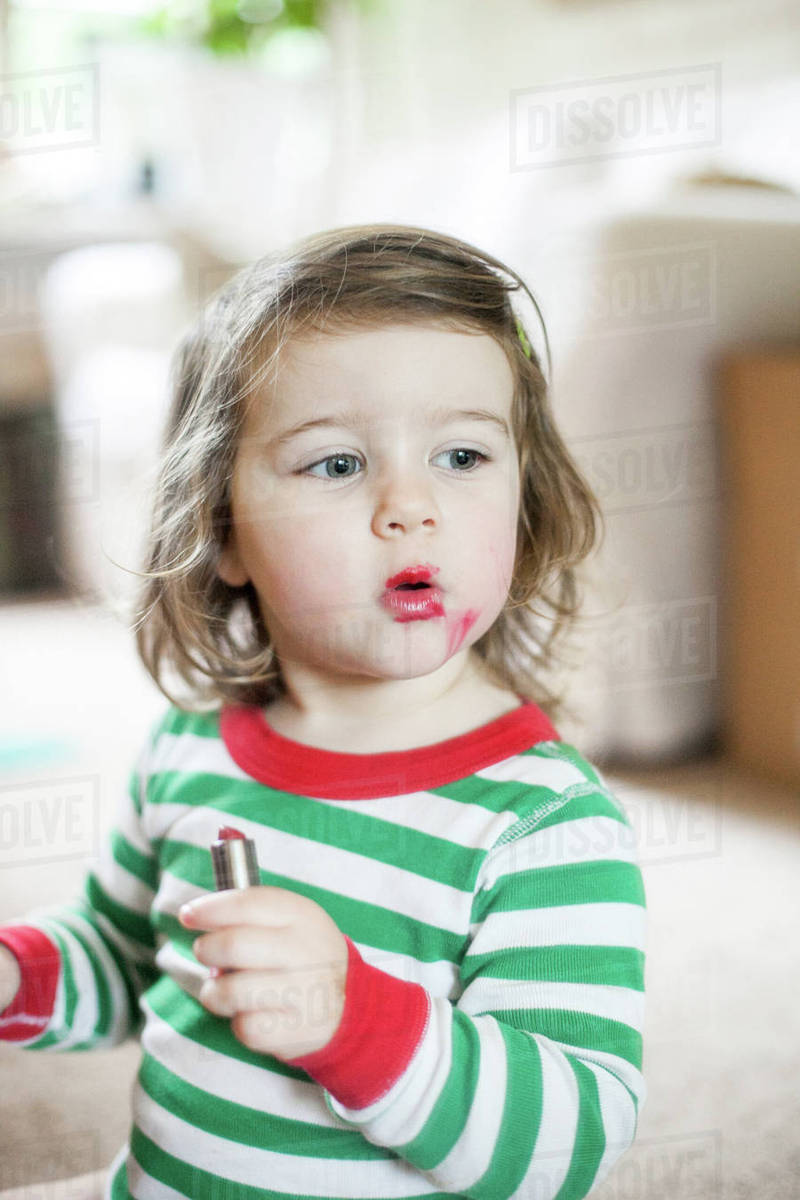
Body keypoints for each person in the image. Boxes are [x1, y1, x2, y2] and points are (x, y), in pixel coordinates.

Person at [0, 225, 647, 1199]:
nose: (408, 506)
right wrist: (17, 976)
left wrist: (351, 1017)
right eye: (337, 465)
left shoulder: (544, 822)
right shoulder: (190, 747)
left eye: (461, 454)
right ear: (221, 530)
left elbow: (564, 1146)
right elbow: (126, 954)